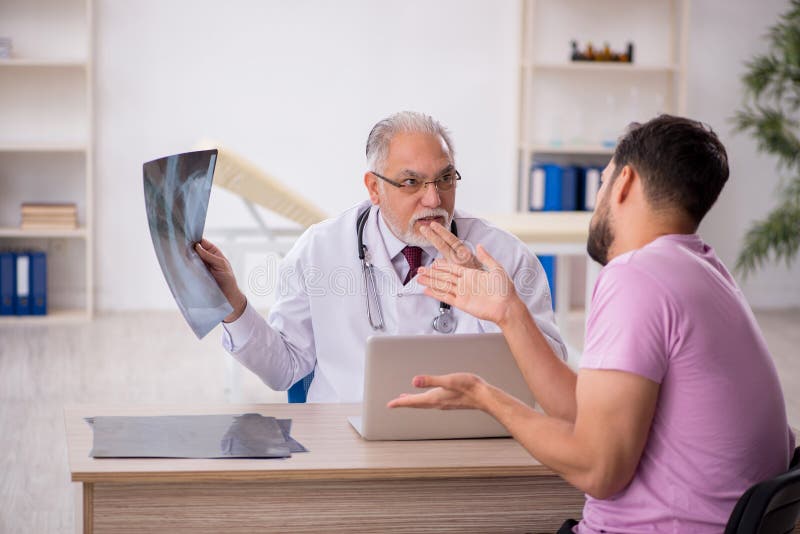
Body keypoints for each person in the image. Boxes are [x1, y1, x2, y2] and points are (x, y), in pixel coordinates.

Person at [389, 115, 795, 532]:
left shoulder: (636, 277)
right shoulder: (706, 271)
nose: (598, 197)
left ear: (625, 182)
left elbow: (598, 471)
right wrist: (509, 312)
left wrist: (486, 397)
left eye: (602, 182)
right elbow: (585, 411)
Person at [196, 111, 566, 402]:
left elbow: (552, 380)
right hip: (345, 445)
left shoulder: (505, 256)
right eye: (411, 183)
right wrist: (233, 304)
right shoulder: (319, 250)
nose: (434, 200)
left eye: (445, 179)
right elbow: (284, 369)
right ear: (374, 188)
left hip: (466, 445)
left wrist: (502, 309)